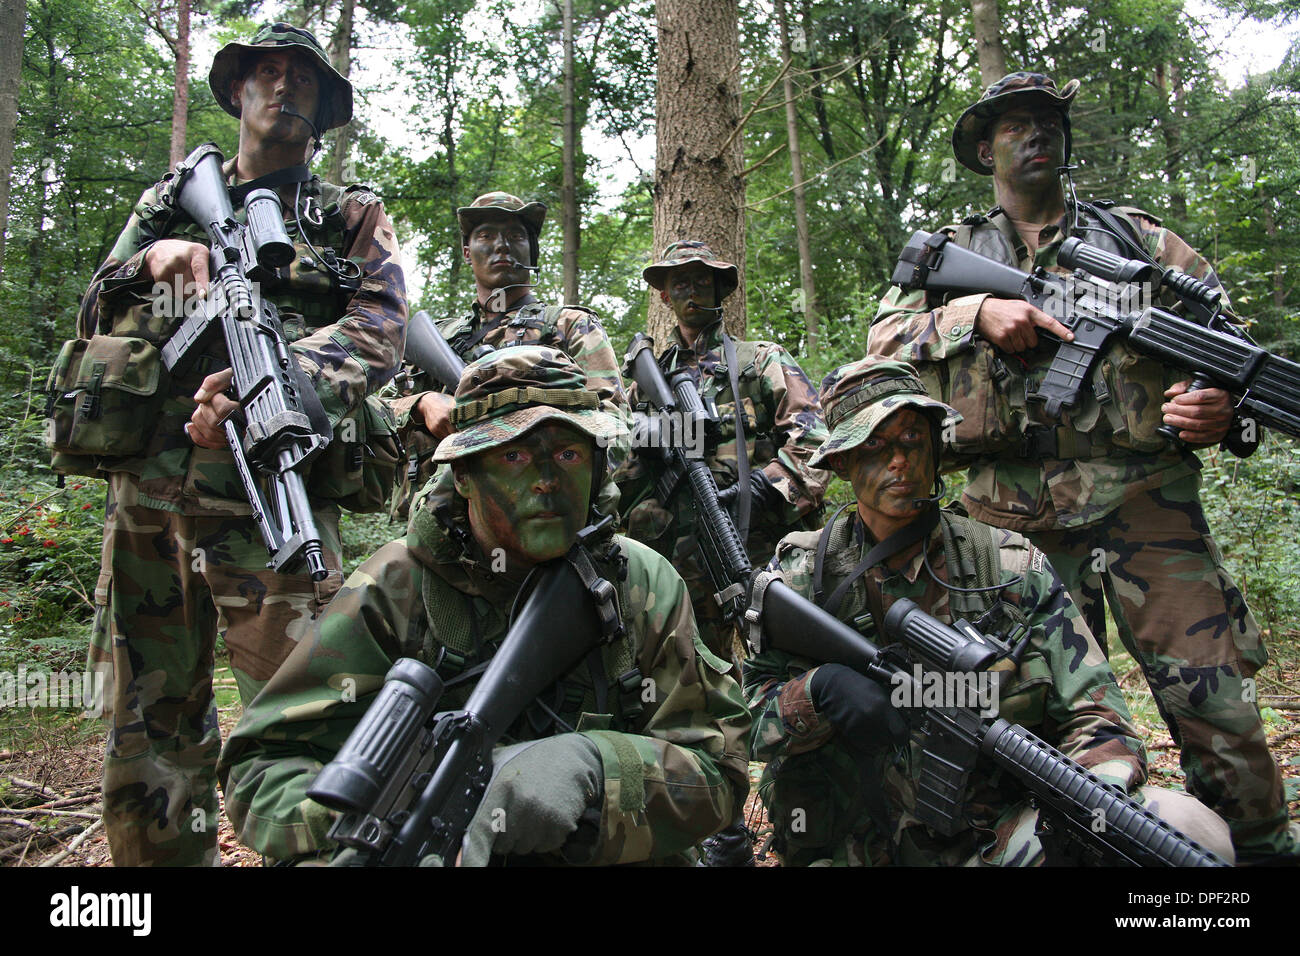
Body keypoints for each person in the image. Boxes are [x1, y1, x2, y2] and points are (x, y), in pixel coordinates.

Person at [868, 72, 1296, 864]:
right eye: (1015, 124)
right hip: (1006, 524)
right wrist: (975, 313)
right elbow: (882, 344)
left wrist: (1220, 409)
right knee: (1022, 717)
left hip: (1147, 503)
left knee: (1220, 708)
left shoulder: (1138, 241)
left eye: (1048, 121)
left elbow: (1231, 352)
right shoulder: (954, 252)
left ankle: (1260, 856)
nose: (1037, 133)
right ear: (985, 151)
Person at [64, 22, 407, 865]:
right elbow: (92, 309)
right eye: (267, 72)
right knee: (147, 721)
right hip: (150, 500)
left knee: (307, 719)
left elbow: (381, 328)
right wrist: (152, 261)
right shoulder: (171, 198)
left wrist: (276, 381)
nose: (283, 87)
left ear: (325, 108)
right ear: (238, 91)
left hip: (276, 496)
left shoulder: (349, 214)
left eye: (303, 78)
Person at [218, 346, 751, 865]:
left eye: (568, 454)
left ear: (596, 465)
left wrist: (594, 771)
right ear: (464, 476)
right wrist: (369, 822)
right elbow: (262, 767)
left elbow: (718, 773)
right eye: (514, 456)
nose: (547, 481)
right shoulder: (395, 586)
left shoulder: (641, 582)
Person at [744, 355, 1232, 866]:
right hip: (851, 846)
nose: (900, 461)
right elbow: (747, 723)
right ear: (841, 462)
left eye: (912, 438)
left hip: (992, 839)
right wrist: (818, 693)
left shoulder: (1008, 566)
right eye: (874, 446)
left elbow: (1096, 714)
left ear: (936, 446)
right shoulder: (804, 575)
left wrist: (1093, 798)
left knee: (1186, 833)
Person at [615, 240, 830, 864]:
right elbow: (614, 469)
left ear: (720, 289)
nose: (691, 290)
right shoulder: (644, 377)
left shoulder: (760, 360)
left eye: (703, 280)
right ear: (664, 295)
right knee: (691, 691)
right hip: (674, 568)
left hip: (756, 555)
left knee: (779, 683)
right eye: (678, 282)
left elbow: (815, 441)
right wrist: (644, 441)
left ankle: (803, 820)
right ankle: (720, 829)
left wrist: (765, 486)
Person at [386, 192, 629, 519]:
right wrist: (424, 403)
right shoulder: (439, 337)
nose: (501, 245)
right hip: (440, 519)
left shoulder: (569, 325)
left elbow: (615, 422)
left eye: (515, 236)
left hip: (544, 512)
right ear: (467, 253)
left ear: (532, 251)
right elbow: (379, 412)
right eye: (486, 235)